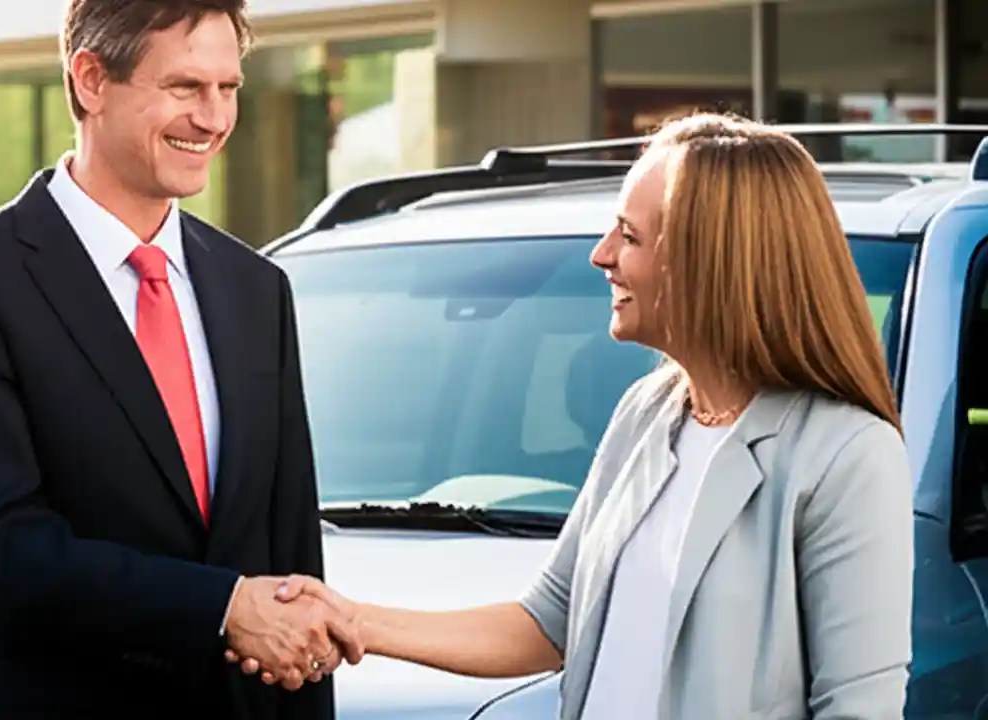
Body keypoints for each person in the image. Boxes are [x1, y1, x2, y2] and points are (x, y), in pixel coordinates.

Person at [231, 113, 915, 718]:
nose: (602, 257)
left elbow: (860, 707)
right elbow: (546, 625)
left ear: (711, 260)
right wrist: (356, 621)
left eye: (631, 237)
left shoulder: (846, 455)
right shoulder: (649, 413)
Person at [0, 1, 353, 717]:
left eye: (228, 88)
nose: (213, 118)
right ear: (90, 80)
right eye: (184, 88)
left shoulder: (256, 286)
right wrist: (223, 606)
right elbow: (2, 553)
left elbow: (288, 550)